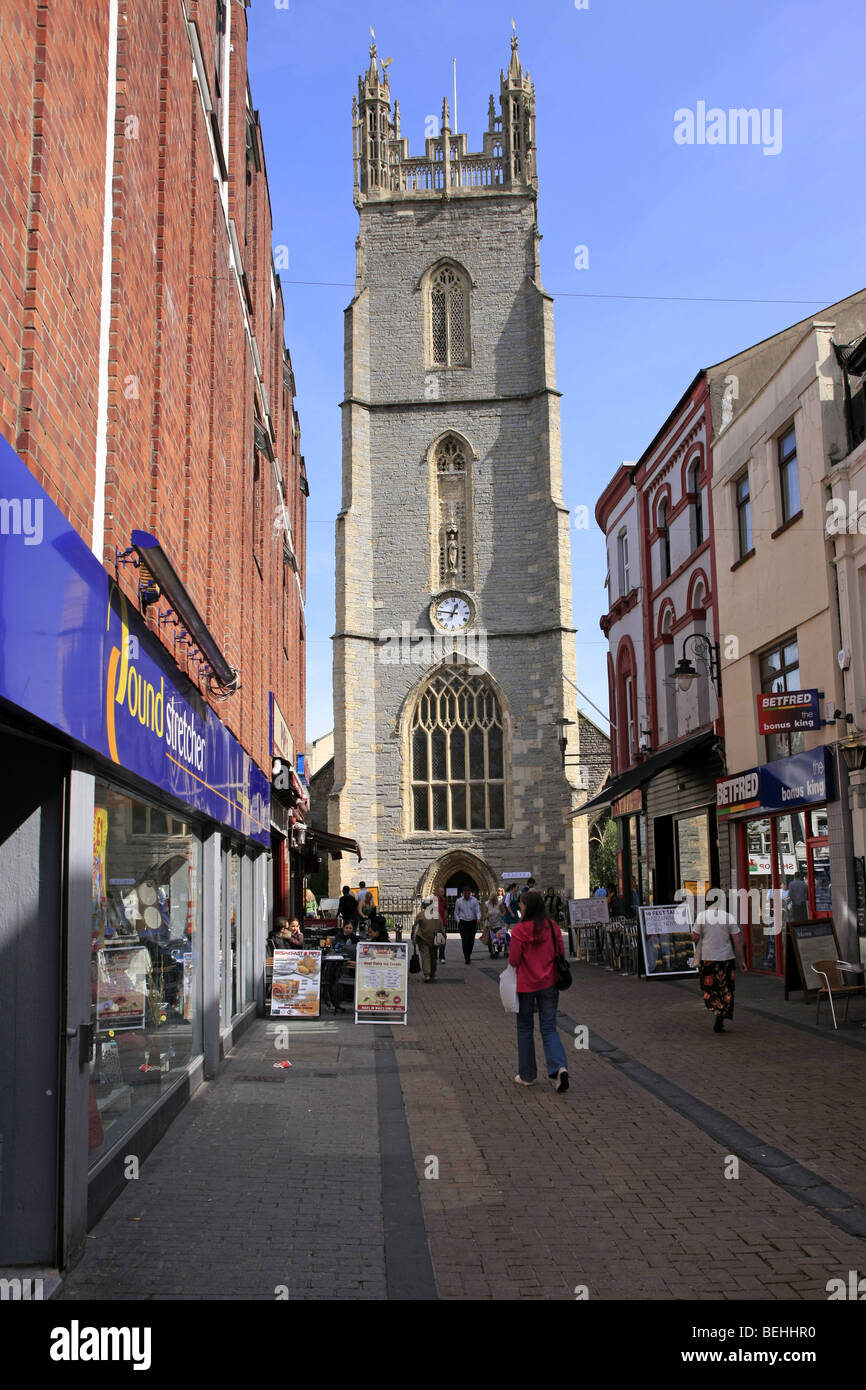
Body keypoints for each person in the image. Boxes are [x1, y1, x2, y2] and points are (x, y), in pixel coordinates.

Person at [508, 891, 569, 1091]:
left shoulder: (519, 931)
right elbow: (560, 952)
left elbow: (514, 960)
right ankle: (559, 1068)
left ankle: (527, 1075)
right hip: (550, 983)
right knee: (549, 1027)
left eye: (522, 905)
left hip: (526, 986)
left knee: (525, 1029)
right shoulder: (552, 927)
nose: (520, 907)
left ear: (528, 907)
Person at [693, 902, 747, 1034]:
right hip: (726, 958)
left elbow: (694, 937)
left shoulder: (702, 916)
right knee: (726, 988)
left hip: (708, 958)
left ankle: (717, 1010)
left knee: (710, 987)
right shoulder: (729, 917)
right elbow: (737, 941)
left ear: (706, 902)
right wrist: (742, 961)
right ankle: (722, 1012)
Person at [412, 897, 440, 981]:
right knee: (433, 957)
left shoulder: (420, 915)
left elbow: (416, 927)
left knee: (425, 956)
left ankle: (427, 974)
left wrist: (413, 938)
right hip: (434, 939)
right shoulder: (437, 915)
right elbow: (441, 928)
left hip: (423, 938)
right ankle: (433, 973)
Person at [454, 886, 482, 964]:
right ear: (463, 893)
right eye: (465, 893)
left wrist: (478, 918)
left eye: (468, 893)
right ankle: (467, 957)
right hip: (463, 922)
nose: (467, 895)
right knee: (465, 940)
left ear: (470, 893)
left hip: (472, 922)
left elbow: (478, 911)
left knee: (471, 940)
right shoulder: (458, 901)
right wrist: (459, 921)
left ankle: (468, 953)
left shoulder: (474, 900)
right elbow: (456, 913)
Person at [482, 890, 503, 958]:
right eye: (492, 900)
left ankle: (497, 952)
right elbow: (484, 912)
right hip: (489, 923)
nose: (493, 901)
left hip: (498, 923)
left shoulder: (499, 903)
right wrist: (486, 916)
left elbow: (504, 911)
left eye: (494, 900)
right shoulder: (487, 903)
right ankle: (491, 951)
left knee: (498, 938)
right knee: (491, 938)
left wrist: (502, 915)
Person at [436, 890, 448, 962]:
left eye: (443, 892)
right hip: (435, 923)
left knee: (442, 940)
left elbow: (446, 910)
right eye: (440, 891)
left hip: (443, 923)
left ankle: (442, 956)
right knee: (434, 940)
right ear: (437, 892)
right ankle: (434, 955)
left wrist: (445, 919)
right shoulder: (433, 900)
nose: (441, 893)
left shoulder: (444, 900)